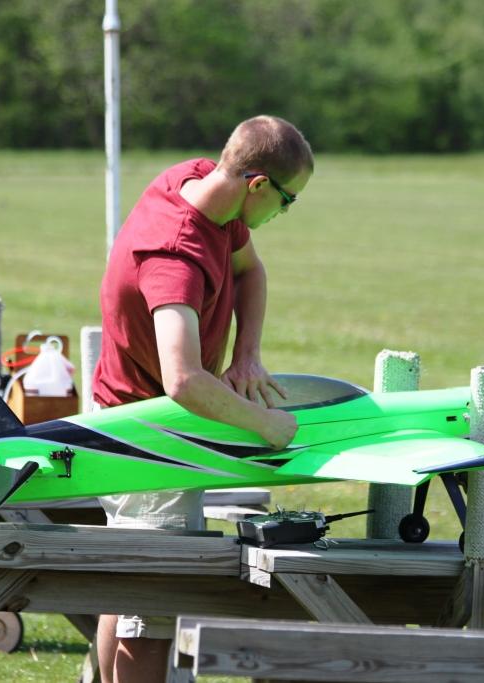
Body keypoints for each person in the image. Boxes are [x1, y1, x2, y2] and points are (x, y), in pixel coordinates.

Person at [91, 115, 313, 683]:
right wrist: (265, 424)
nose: (284, 215)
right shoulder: (175, 256)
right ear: (259, 185)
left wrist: (247, 356)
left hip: (149, 421)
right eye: (287, 202)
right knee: (154, 606)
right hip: (142, 436)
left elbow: (251, 272)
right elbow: (184, 380)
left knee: (129, 584)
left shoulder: (201, 185)